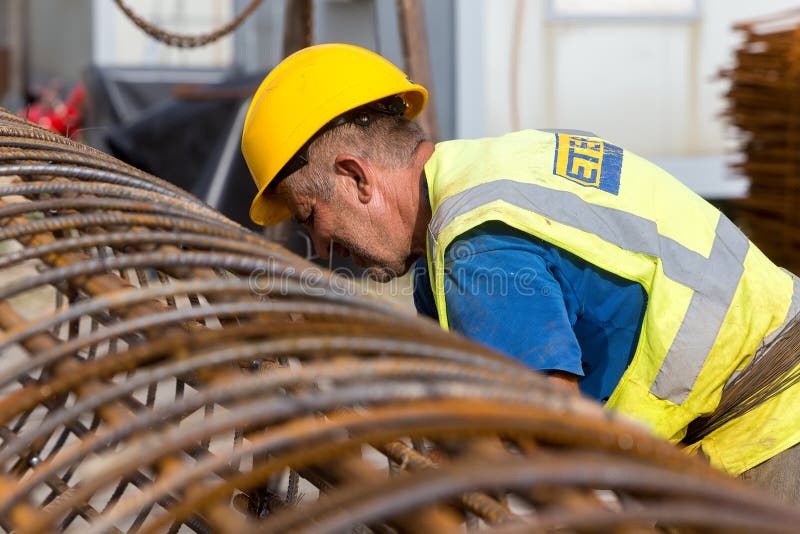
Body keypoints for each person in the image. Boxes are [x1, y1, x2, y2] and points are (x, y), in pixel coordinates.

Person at [241, 43, 800, 500]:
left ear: (356, 177)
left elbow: (546, 432)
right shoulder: (493, 173)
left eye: (311, 216)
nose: (320, 244)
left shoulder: (477, 247)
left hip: (771, 427)